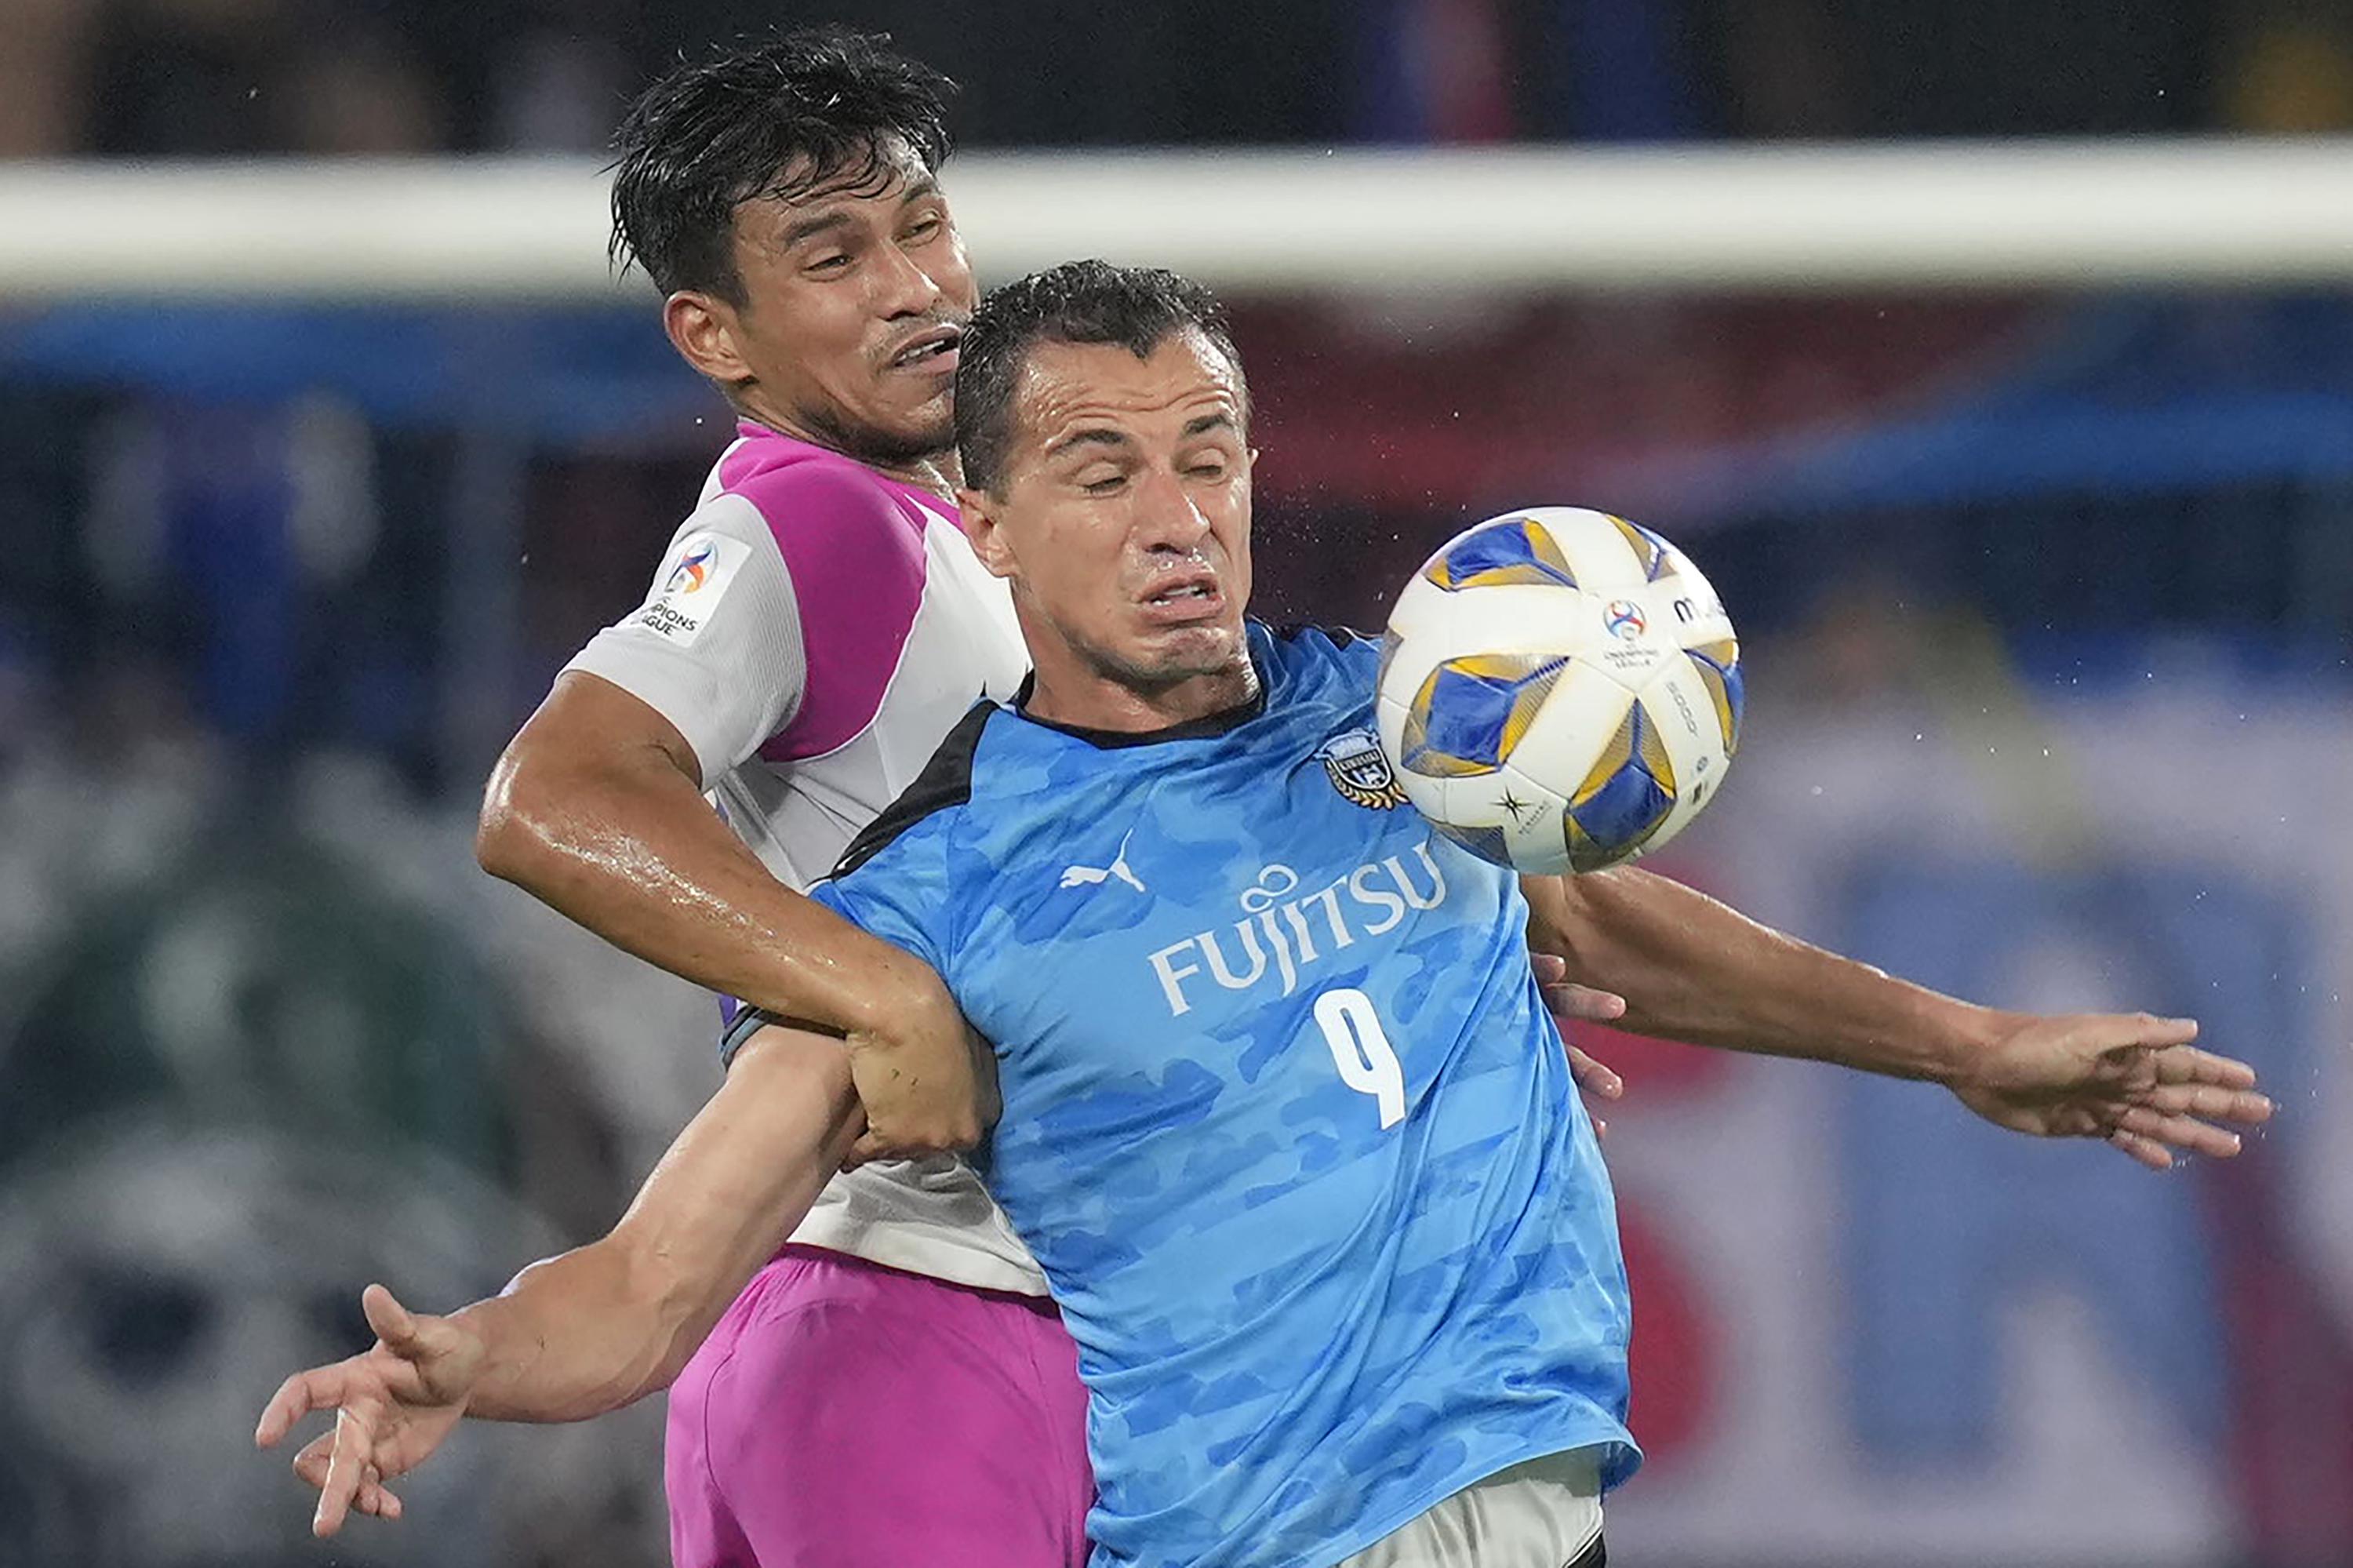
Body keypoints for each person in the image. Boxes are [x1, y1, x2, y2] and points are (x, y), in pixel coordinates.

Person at [259, 261, 2271, 1566]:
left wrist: (1975, 1045)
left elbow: (1600, 924)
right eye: (1106, 469)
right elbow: (649, 1278)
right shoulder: (930, 902)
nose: (1177, 517)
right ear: (983, 524)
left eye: (1210, 457)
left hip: (1536, 1497)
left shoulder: (1404, 724)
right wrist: (467, 1362)